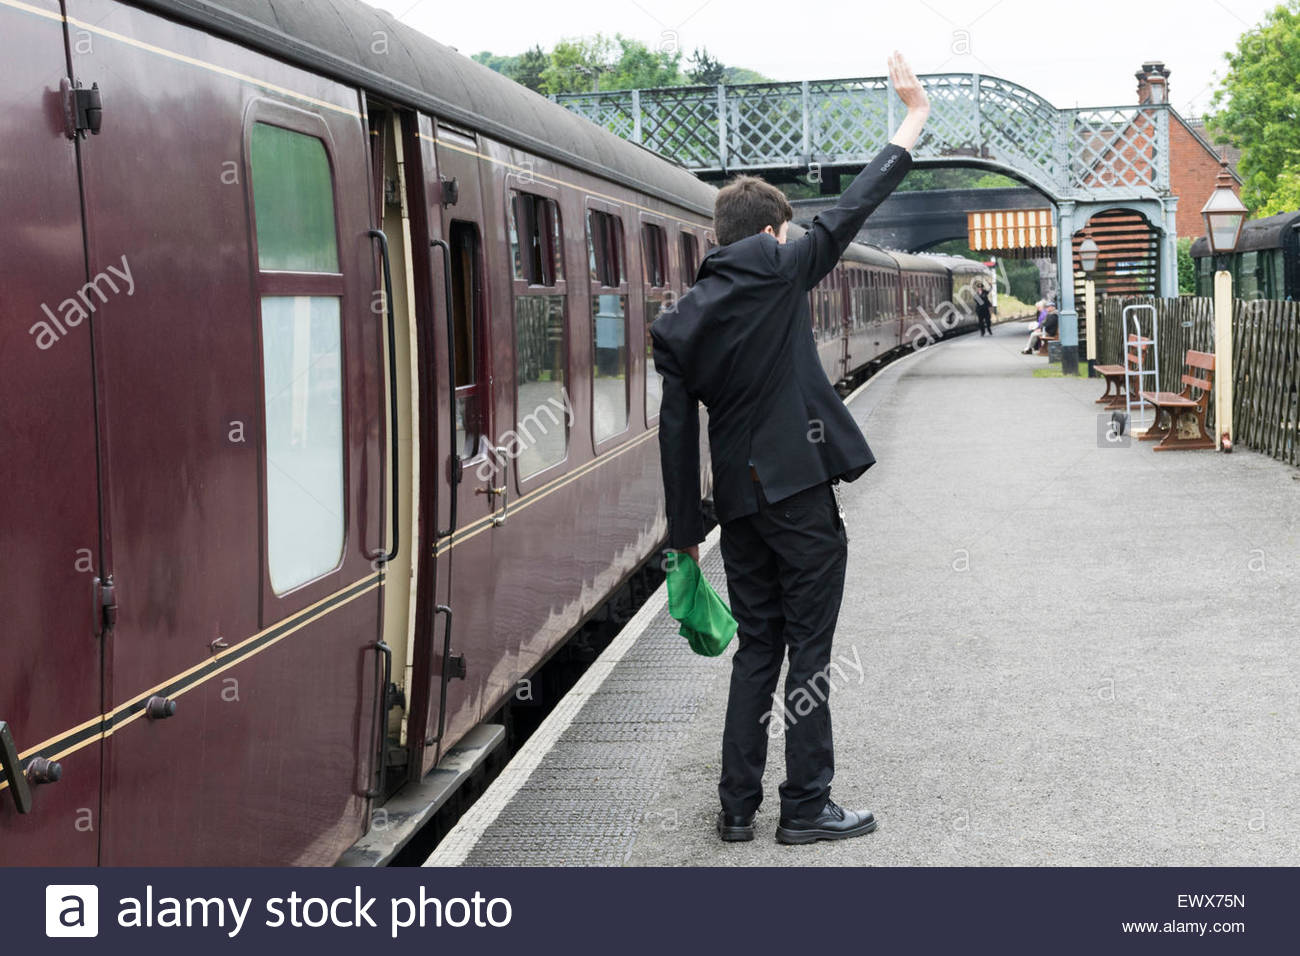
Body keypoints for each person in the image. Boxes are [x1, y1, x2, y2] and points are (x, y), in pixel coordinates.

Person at [651, 52, 930, 846]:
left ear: (719, 236)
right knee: (810, 650)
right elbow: (851, 210)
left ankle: (737, 807)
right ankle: (805, 806)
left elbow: (676, 438)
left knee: (757, 651)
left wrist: (683, 538)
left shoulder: (676, 326)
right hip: (800, 496)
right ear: (773, 232)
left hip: (737, 507)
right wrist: (913, 120)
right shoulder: (780, 269)